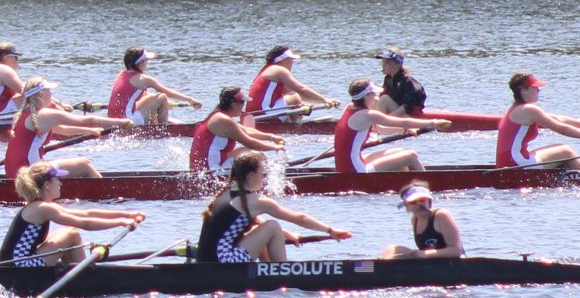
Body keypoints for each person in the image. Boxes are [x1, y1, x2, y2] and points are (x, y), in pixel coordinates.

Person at [195, 151, 352, 263]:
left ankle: (265, 270)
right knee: (273, 226)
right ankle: (280, 273)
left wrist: (286, 234)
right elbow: (299, 218)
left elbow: (254, 221)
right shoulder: (256, 200)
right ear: (250, 176)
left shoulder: (226, 193)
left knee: (262, 229)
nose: (265, 178)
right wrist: (330, 230)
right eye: (263, 174)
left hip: (205, 260)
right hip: (224, 261)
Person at [0, 163, 145, 267]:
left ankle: (72, 269)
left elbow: (87, 213)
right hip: (18, 267)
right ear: (47, 185)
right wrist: (120, 223)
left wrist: (126, 214)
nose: (61, 184)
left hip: (19, 263)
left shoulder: (42, 206)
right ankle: (83, 278)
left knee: (65, 232)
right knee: (72, 233)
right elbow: (85, 223)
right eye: (57, 180)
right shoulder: (42, 208)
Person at [6, 78, 130, 178]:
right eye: (50, 91)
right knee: (84, 164)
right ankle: (107, 194)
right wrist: (121, 122)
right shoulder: (44, 114)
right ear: (42, 94)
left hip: (15, 171)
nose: (52, 94)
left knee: (73, 165)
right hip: (31, 173)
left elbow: (61, 129)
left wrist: (88, 131)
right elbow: (89, 120)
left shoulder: (24, 114)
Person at [330, 79, 448, 173]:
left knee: (400, 151)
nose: (376, 97)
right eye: (373, 94)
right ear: (366, 97)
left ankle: (401, 184)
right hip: (354, 170)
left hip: (344, 165)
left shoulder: (349, 108)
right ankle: (426, 186)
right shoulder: (368, 115)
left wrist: (404, 130)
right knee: (411, 155)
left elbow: (381, 129)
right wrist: (433, 123)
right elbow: (403, 121)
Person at [496, 72, 580, 169]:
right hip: (515, 164)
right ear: (524, 91)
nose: (539, 90)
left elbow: (558, 119)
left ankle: (575, 174)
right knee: (566, 151)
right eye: (535, 87)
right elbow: (561, 129)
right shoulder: (528, 109)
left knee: (558, 148)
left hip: (508, 162)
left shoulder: (518, 108)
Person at [189, 87, 287, 174]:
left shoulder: (220, 116)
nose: (243, 106)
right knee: (257, 156)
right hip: (208, 171)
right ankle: (264, 181)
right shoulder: (222, 120)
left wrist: (271, 137)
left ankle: (260, 176)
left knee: (246, 152)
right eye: (242, 102)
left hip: (204, 168)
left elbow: (246, 131)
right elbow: (250, 143)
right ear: (233, 103)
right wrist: (276, 147)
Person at [106, 48, 199, 125]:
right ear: (141, 62)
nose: (147, 63)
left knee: (152, 97)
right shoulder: (144, 79)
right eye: (146, 60)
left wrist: (161, 105)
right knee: (162, 97)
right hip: (129, 120)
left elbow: (141, 96)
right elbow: (168, 92)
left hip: (113, 121)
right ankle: (162, 130)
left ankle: (154, 124)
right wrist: (190, 99)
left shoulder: (120, 75)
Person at [246, 46, 338, 117]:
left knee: (295, 98)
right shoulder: (278, 70)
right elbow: (301, 90)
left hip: (255, 115)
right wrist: (324, 100)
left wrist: (323, 102)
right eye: (291, 60)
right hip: (264, 114)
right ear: (283, 59)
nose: (292, 63)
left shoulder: (267, 71)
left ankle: (291, 123)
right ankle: (295, 127)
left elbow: (300, 95)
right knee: (294, 97)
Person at [380, 182, 465, 259]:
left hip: (453, 266)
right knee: (391, 249)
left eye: (422, 200)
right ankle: (378, 270)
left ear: (429, 201)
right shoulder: (414, 220)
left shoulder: (441, 216)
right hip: (431, 265)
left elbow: (456, 251)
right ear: (406, 206)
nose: (419, 204)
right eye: (413, 202)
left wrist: (424, 254)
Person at [375, 48, 428, 118]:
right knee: (374, 99)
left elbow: (408, 106)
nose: (383, 65)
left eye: (387, 62)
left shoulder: (407, 81)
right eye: (383, 62)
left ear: (397, 65)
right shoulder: (388, 78)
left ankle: (379, 125)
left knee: (384, 99)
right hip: (397, 114)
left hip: (410, 117)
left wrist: (388, 119)